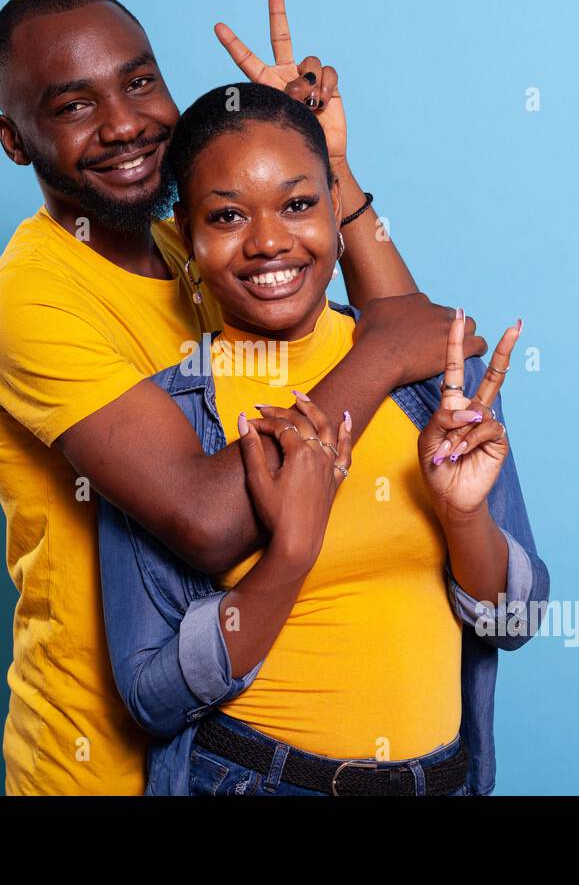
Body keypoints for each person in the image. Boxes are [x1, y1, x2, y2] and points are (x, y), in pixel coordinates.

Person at [0, 0, 490, 794]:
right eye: (73, 105)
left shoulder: (200, 240)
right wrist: (381, 357)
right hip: (101, 762)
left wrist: (319, 158)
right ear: (13, 139)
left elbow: (412, 329)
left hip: (232, 742)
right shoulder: (29, 296)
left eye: (139, 82)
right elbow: (208, 523)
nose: (124, 123)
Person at [97, 82, 550, 795]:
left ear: (337, 213)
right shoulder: (170, 418)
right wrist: (290, 557)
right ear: (186, 235)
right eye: (227, 216)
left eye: (299, 204)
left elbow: (516, 620)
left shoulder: (427, 376)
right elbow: (151, 698)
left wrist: (462, 518)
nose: (270, 240)